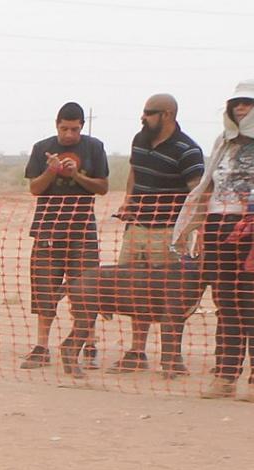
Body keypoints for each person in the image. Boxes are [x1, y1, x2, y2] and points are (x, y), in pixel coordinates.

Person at [174, 80, 254, 398]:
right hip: (219, 225)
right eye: (237, 103)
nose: (241, 108)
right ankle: (225, 376)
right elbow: (208, 184)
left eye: (247, 103)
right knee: (226, 302)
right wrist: (194, 227)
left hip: (250, 229)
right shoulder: (223, 142)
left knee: (250, 301)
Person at [117, 94, 206, 375]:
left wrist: (199, 232)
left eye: (149, 112)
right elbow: (134, 172)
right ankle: (136, 351)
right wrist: (128, 200)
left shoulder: (188, 150)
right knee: (133, 290)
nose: (143, 117)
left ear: (167, 114)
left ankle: (171, 359)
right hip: (137, 228)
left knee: (171, 295)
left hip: (169, 232)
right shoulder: (139, 139)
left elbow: (198, 194)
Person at [20, 102, 110, 375]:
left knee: (86, 292)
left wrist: (75, 175)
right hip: (48, 231)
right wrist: (52, 171)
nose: (69, 134)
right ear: (56, 125)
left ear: (82, 125)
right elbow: (34, 189)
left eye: (74, 129)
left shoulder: (94, 147)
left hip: (82, 232)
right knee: (44, 291)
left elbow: (103, 188)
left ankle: (88, 345)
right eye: (64, 128)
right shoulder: (41, 148)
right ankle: (41, 347)